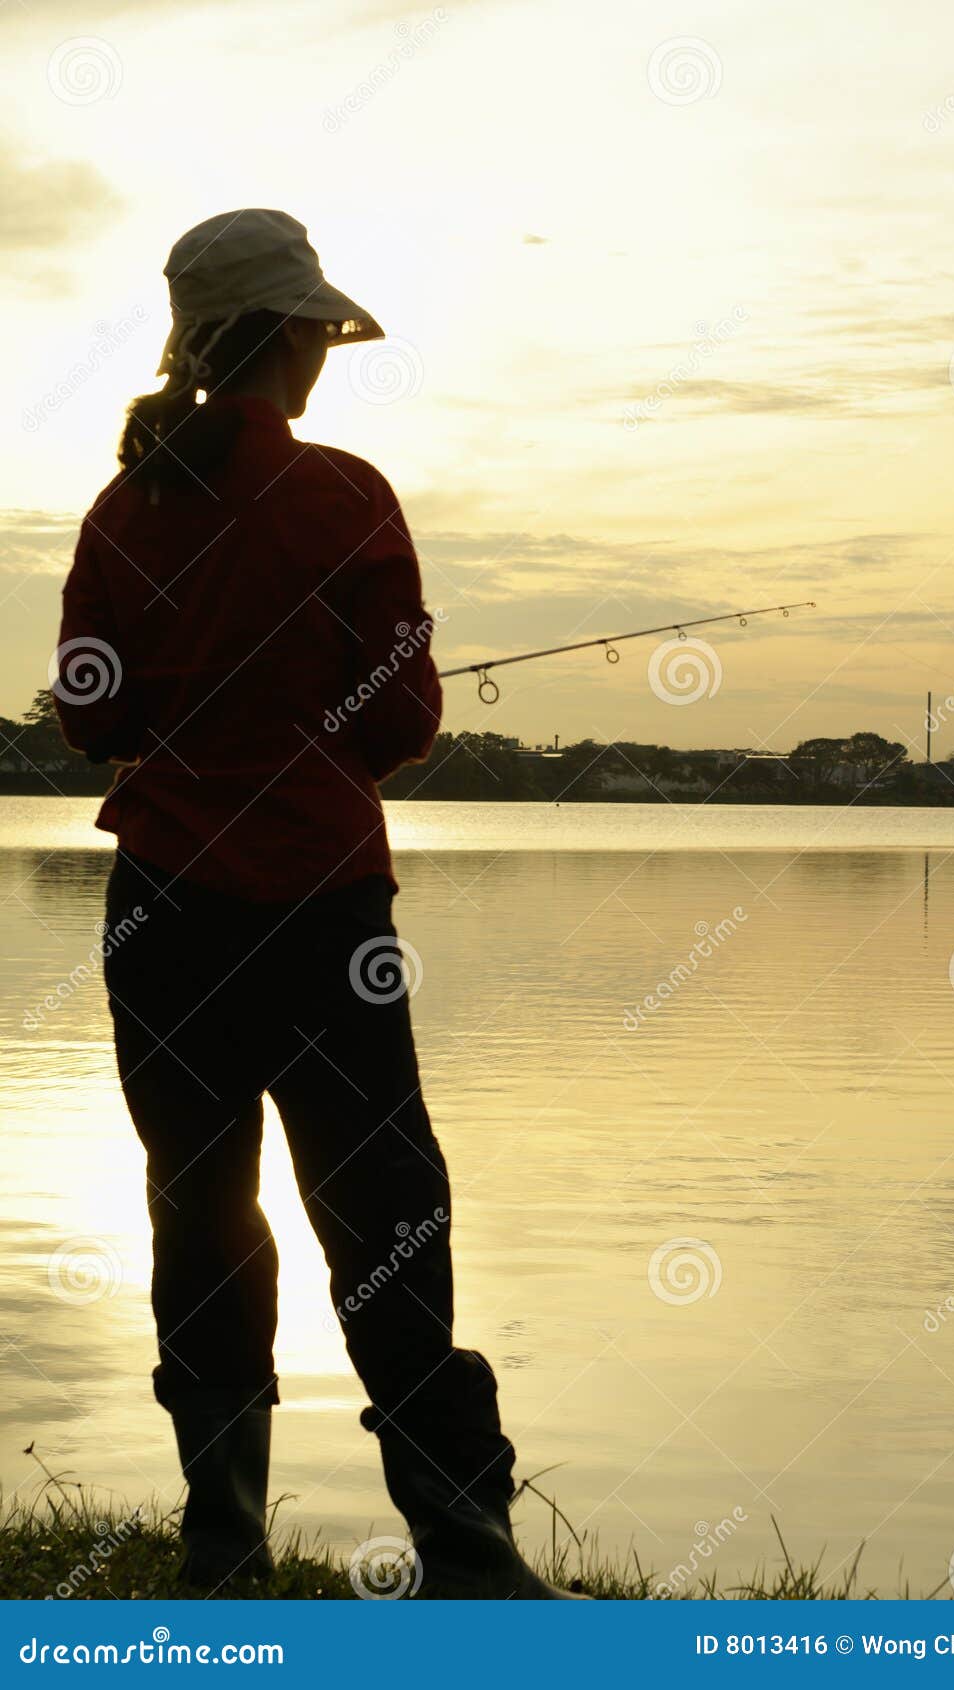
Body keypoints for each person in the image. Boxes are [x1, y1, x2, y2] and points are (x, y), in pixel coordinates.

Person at [53, 209, 579, 1599]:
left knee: (199, 1210)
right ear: (296, 338)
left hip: (163, 917)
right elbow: (403, 721)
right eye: (319, 337)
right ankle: (469, 1554)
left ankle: (221, 1546)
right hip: (325, 918)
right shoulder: (348, 499)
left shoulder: (122, 509)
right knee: (387, 1207)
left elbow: (90, 717)